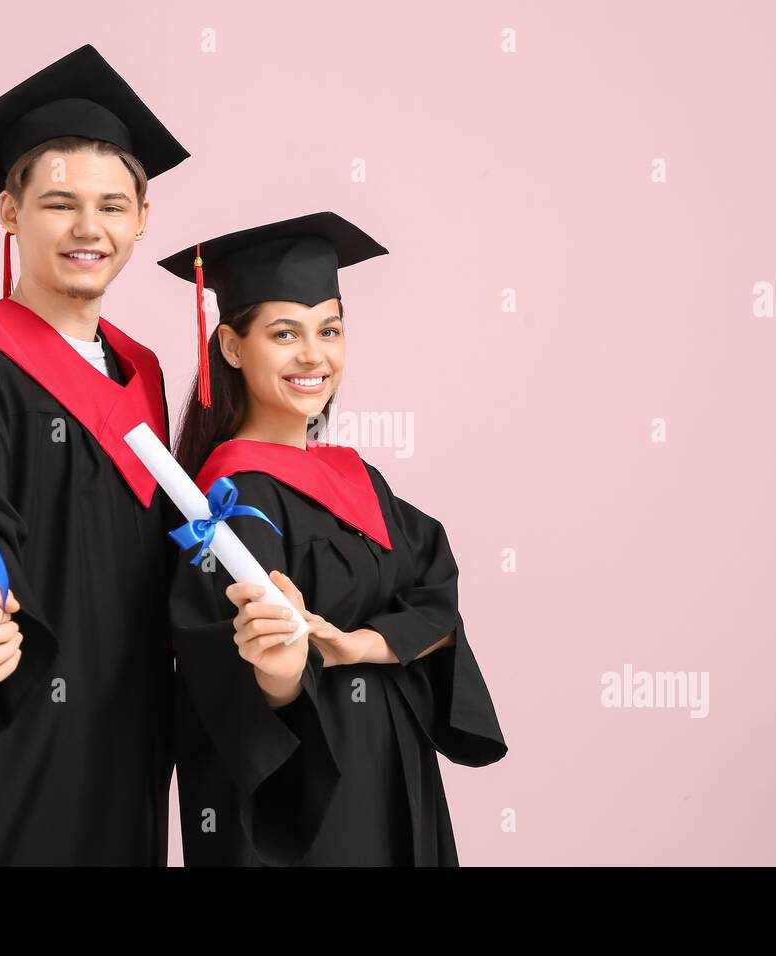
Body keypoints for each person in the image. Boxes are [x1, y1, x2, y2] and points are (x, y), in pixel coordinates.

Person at [0, 44, 189, 865]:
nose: (90, 229)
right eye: (58, 203)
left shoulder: (141, 371)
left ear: (143, 219)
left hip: (127, 731)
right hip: (15, 731)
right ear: (9, 212)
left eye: (113, 206)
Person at [157, 211, 508, 866]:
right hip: (307, 805)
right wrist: (283, 676)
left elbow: (437, 595)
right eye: (285, 333)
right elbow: (225, 685)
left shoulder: (360, 479)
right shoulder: (228, 502)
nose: (313, 355)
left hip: (395, 771)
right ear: (231, 346)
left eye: (330, 330)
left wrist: (359, 645)